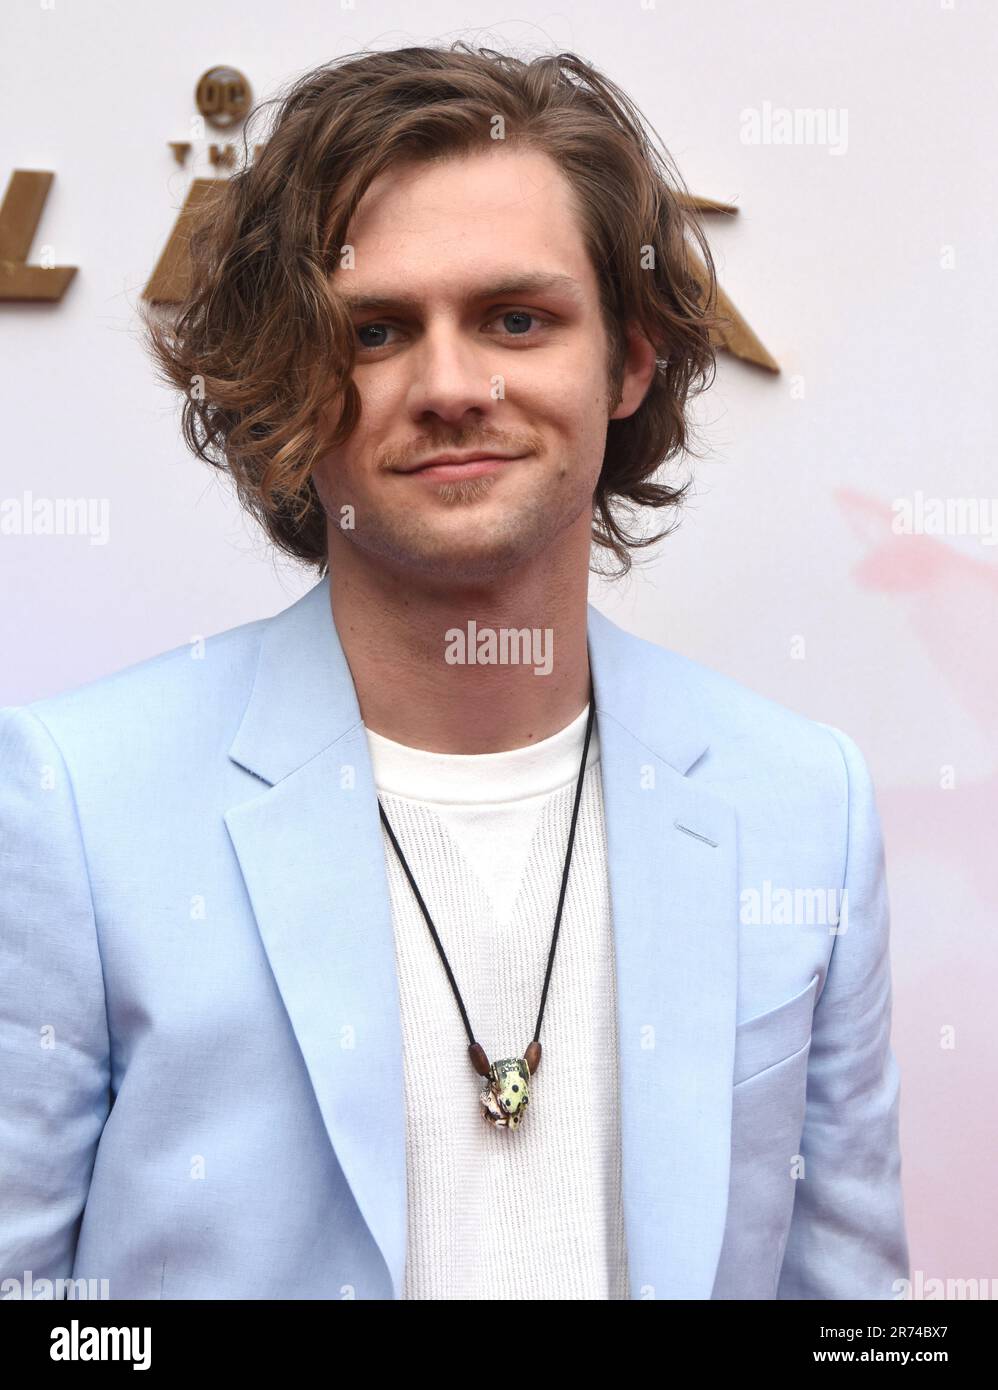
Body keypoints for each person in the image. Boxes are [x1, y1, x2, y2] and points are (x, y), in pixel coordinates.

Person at [0, 43, 908, 1301]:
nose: (449, 387)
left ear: (628, 359)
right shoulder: (74, 804)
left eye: (515, 319)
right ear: (288, 384)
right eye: (373, 331)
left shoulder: (802, 801)